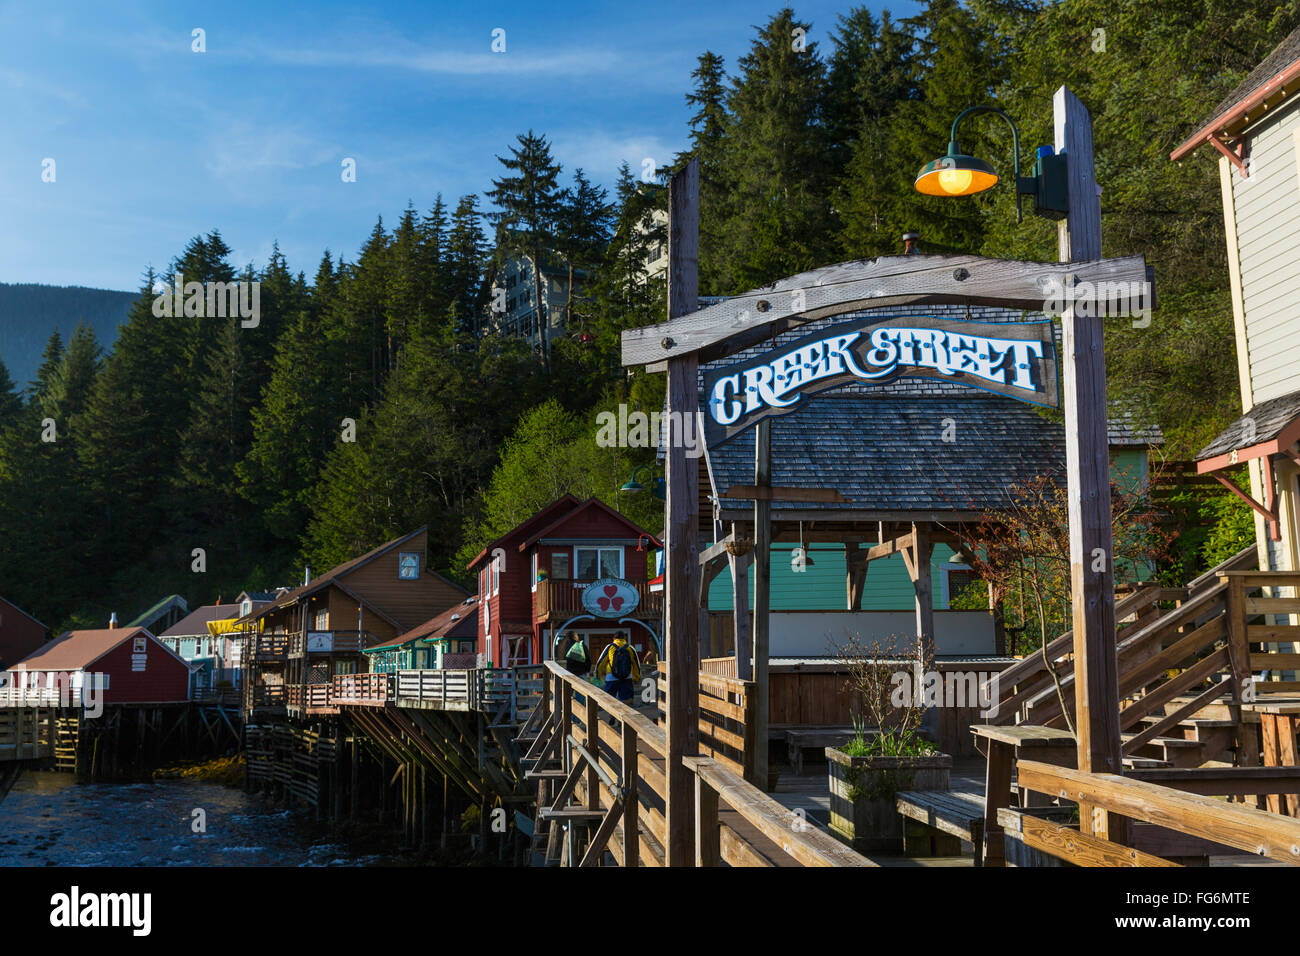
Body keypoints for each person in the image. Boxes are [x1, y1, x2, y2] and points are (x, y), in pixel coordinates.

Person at [595, 631, 641, 702]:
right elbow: (636, 664)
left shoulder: (610, 647)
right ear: (624, 638)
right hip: (627, 677)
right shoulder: (630, 648)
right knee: (626, 701)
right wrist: (636, 678)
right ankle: (625, 713)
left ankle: (611, 713)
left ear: (614, 638)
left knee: (609, 701)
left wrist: (597, 675)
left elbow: (600, 662)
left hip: (611, 677)